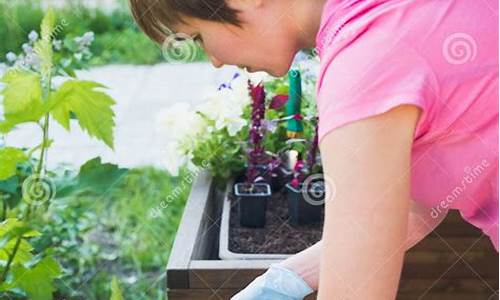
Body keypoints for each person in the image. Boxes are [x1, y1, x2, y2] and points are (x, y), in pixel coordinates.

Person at [129, 0, 499, 298]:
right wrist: (285, 280)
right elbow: (410, 209)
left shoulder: (366, 61)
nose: (214, 60)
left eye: (196, 37)